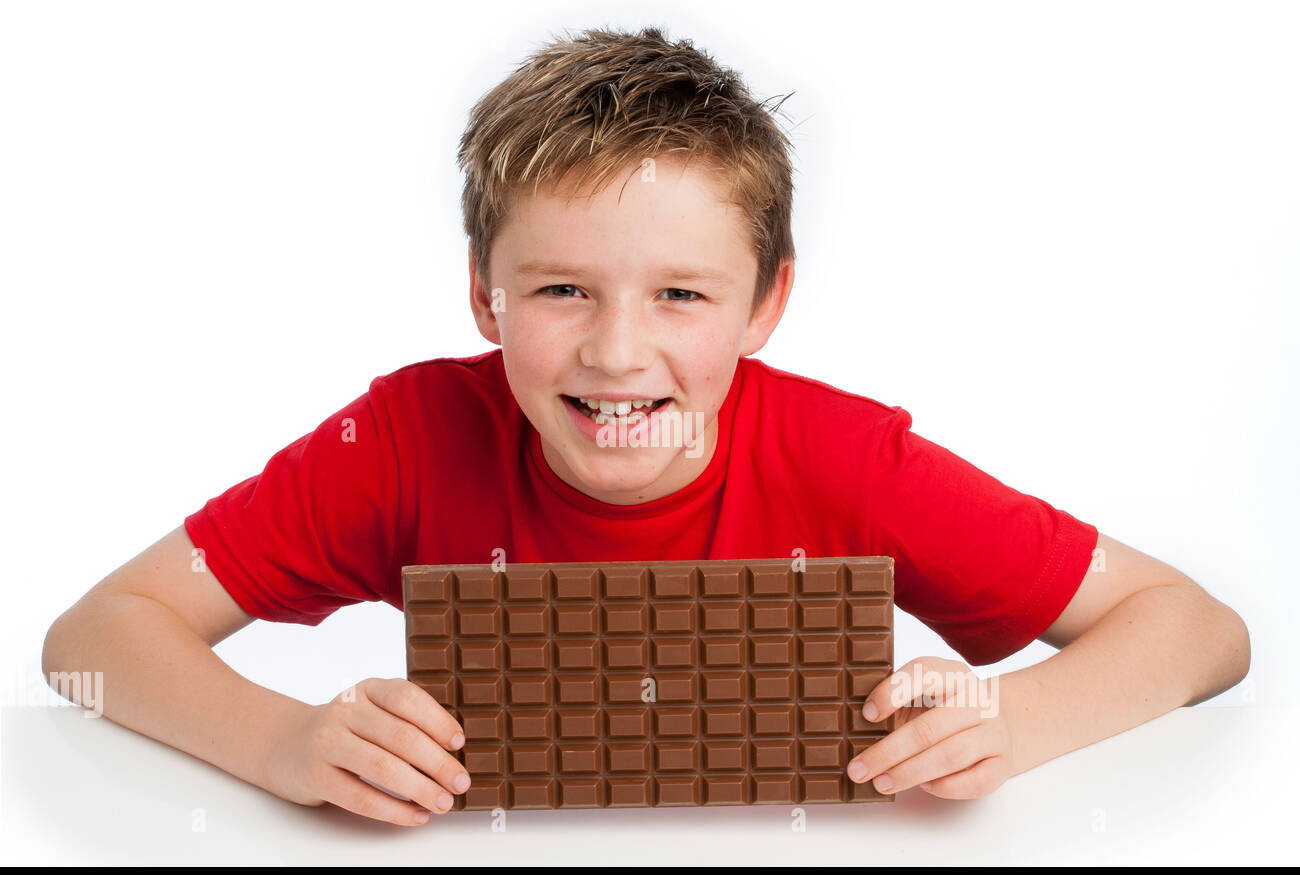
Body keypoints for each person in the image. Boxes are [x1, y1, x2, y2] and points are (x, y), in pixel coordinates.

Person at [43, 26, 1249, 827]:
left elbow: (1198, 629)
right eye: (561, 289)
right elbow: (92, 636)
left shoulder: (848, 457)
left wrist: (1014, 718)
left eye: (680, 293)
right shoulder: (406, 435)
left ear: (766, 303)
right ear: (486, 294)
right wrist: (284, 742)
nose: (617, 352)